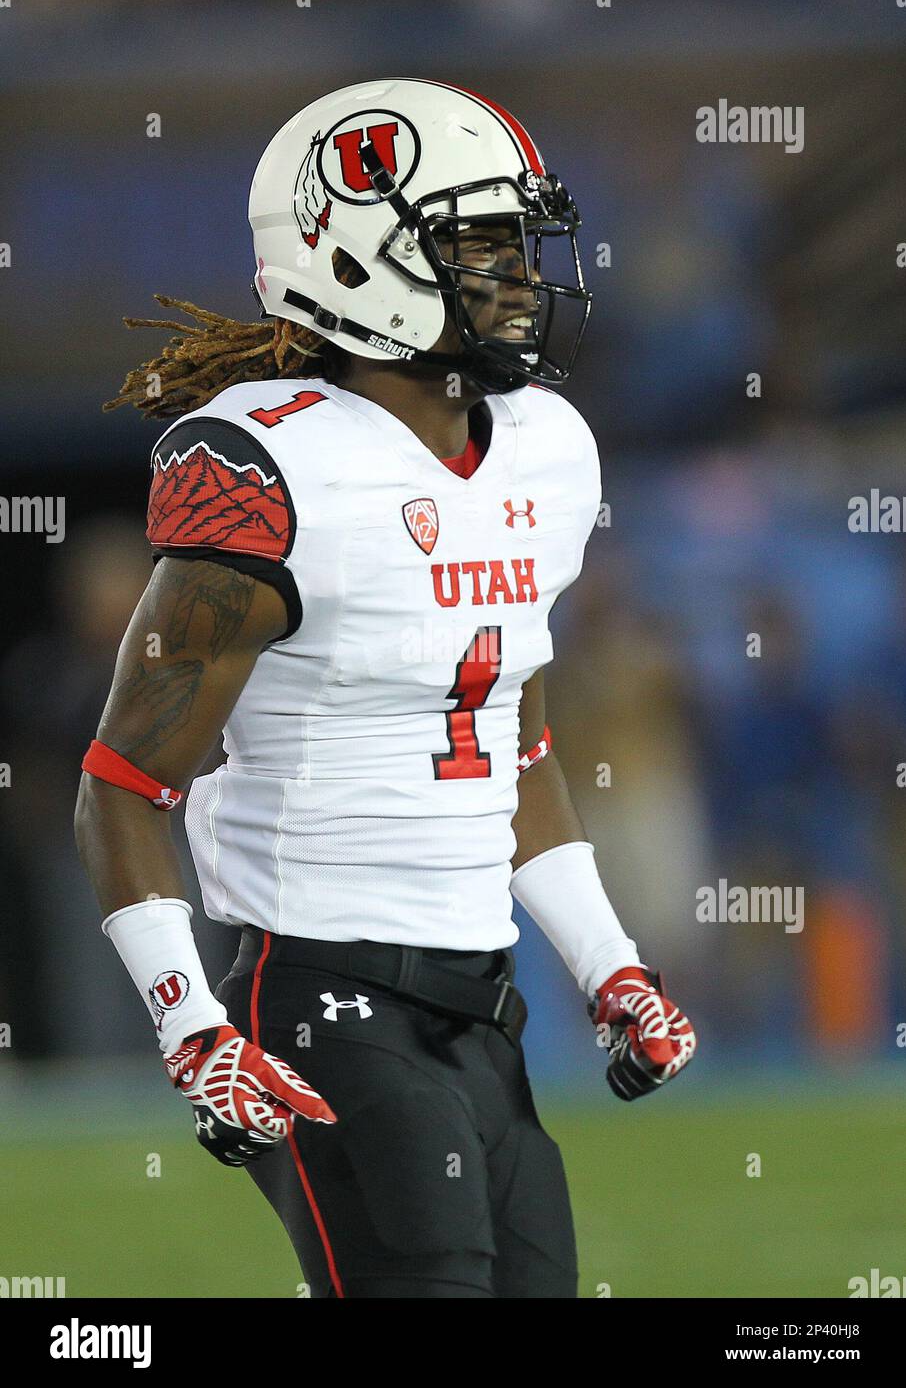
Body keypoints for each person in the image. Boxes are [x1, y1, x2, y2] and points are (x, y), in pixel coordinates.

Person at [76, 78, 696, 1300]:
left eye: (521, 240)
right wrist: (191, 1024)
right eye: (477, 243)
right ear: (356, 262)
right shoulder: (273, 465)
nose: (520, 274)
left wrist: (608, 965)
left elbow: (503, 730)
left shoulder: (543, 449)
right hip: (313, 986)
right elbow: (122, 783)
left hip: (480, 1001)